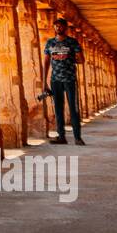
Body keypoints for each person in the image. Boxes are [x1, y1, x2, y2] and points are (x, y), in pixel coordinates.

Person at [42, 17, 85, 145]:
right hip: (55, 80)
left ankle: (78, 138)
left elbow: (81, 60)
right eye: (56, 26)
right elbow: (46, 62)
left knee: (73, 108)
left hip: (70, 79)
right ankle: (62, 137)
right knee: (58, 108)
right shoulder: (50, 43)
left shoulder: (72, 42)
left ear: (65, 28)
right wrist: (44, 81)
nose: (58, 28)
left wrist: (69, 57)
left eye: (60, 26)